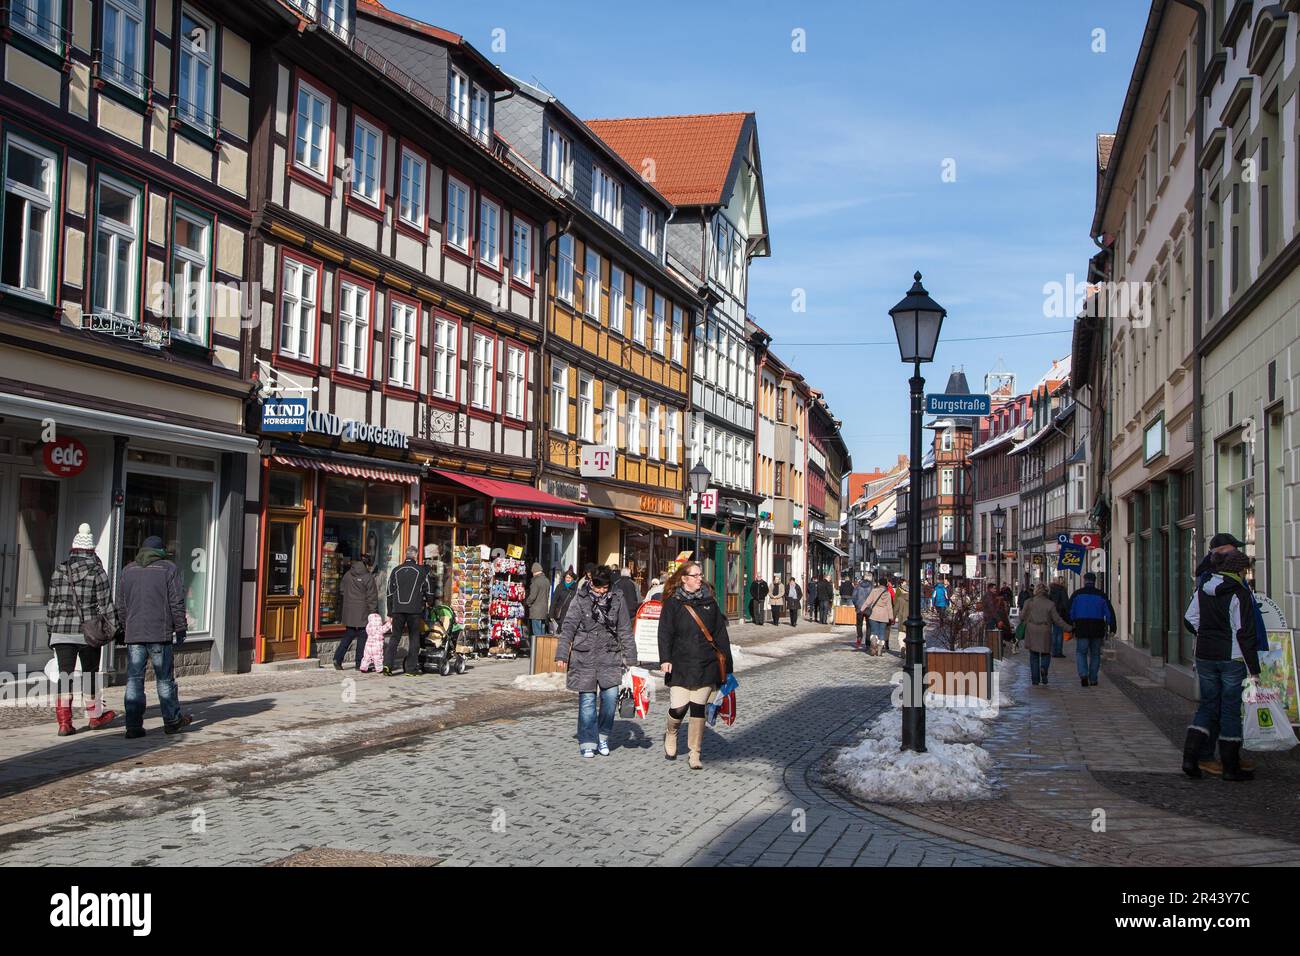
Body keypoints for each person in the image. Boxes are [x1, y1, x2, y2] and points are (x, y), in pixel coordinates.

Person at [1182, 547, 1262, 782]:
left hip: (1205, 655)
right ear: (1238, 569)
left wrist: (1205, 634)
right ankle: (1230, 766)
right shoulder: (1240, 593)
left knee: (1207, 706)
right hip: (1231, 657)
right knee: (1229, 710)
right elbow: (1244, 633)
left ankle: (1190, 758)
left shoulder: (1202, 589)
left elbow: (1190, 619)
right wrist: (1254, 669)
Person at [657, 561, 733, 770]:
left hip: (705, 663)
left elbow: (720, 635)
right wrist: (665, 659)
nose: (701, 578)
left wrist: (728, 668)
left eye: (700, 575)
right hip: (680, 663)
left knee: (698, 709)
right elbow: (665, 633)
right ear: (684, 578)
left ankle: (694, 753)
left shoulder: (709, 602)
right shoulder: (673, 603)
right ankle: (671, 733)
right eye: (696, 575)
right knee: (678, 708)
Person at [555, 566, 636, 758]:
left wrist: (631, 657)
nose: (601, 591)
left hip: (609, 654)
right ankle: (587, 740)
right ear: (591, 583)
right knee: (588, 702)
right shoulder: (580, 598)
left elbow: (624, 628)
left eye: (605, 587)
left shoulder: (617, 598)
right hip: (584, 655)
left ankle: (603, 735)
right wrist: (561, 654)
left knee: (610, 699)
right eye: (598, 587)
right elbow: (568, 627)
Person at [115, 535, 191, 738]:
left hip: (134, 634)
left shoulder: (127, 570)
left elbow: (121, 605)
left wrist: (124, 628)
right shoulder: (168, 568)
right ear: (160, 551)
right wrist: (181, 627)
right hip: (159, 632)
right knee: (164, 680)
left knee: (134, 679)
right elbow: (176, 601)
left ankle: (132, 726)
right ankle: (172, 721)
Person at [46, 523, 118, 735]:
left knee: (64, 675)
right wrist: (113, 629)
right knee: (90, 674)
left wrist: (50, 631)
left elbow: (52, 604)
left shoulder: (60, 570)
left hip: (60, 631)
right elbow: (106, 605)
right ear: (92, 550)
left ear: (73, 549)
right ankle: (95, 717)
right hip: (89, 632)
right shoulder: (97, 571)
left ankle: (64, 723)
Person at [385, 546, 431, 677]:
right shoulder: (421, 571)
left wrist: (390, 612)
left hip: (398, 609)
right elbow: (429, 590)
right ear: (415, 556)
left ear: (406, 555)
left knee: (395, 637)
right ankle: (411, 668)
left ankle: (387, 665)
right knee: (414, 637)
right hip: (414, 609)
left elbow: (389, 592)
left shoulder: (396, 570)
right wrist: (429, 601)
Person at [1068, 571, 1116, 687]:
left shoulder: (1077, 594)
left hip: (1081, 627)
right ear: (1095, 582)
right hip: (1097, 627)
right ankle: (1093, 678)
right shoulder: (1101, 595)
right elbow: (1109, 613)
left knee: (1081, 652)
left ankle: (1083, 675)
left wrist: (1070, 625)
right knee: (1095, 654)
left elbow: (1071, 612)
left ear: (1084, 581)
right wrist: (1113, 626)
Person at [333, 554, 378, 670]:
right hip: (363, 611)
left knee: (349, 634)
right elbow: (371, 597)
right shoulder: (368, 577)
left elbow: (342, 590)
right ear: (367, 564)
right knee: (363, 636)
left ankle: (337, 658)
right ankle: (359, 663)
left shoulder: (348, 574)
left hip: (349, 610)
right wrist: (373, 612)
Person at [1021, 583, 1070, 686]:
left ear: (1035, 591)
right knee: (1046, 653)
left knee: (1033, 655)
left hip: (1032, 630)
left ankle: (1035, 679)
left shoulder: (1029, 602)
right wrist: (1069, 628)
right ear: (1046, 592)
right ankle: (1044, 668)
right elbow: (1057, 620)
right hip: (1045, 630)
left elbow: (1022, 616)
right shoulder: (1050, 604)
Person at [860, 577, 892, 653]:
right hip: (884, 616)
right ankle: (880, 650)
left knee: (874, 631)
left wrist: (862, 609)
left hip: (874, 614)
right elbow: (889, 606)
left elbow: (868, 601)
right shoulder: (887, 594)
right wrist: (891, 617)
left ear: (879, 583)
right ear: (886, 584)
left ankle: (873, 643)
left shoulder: (874, 591)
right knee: (882, 632)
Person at [525, 562, 552, 639]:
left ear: (534, 571)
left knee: (536, 634)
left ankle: (537, 650)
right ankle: (542, 650)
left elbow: (532, 596)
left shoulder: (535, 582)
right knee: (542, 633)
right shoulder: (547, 580)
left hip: (536, 611)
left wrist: (527, 602)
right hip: (544, 611)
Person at [1048, 576, 1070, 658]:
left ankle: (1054, 651)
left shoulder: (1050, 590)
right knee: (1059, 633)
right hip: (1060, 614)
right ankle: (1058, 651)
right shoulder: (1062, 590)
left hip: (1052, 613)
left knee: (1054, 633)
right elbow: (1065, 603)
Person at [851, 577, 873, 647]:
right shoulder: (872, 587)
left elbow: (853, 597)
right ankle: (867, 641)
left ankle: (859, 637)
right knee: (869, 626)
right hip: (868, 608)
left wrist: (856, 605)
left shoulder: (858, 586)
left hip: (859, 608)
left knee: (859, 624)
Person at [892, 575, 910, 654]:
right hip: (911, 621)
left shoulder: (899, 599)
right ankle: (908, 649)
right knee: (909, 635)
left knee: (901, 635)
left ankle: (902, 646)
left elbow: (895, 610)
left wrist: (893, 618)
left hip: (902, 619)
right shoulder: (913, 598)